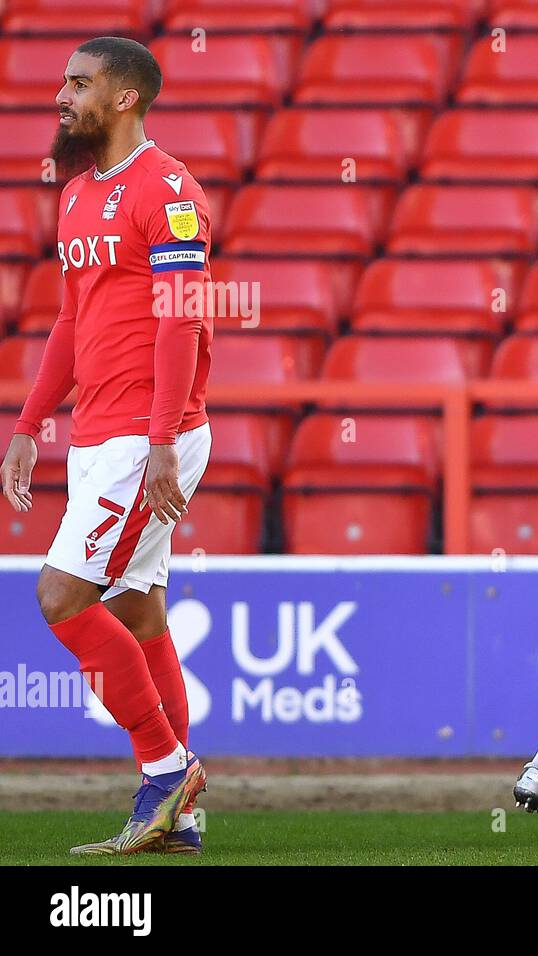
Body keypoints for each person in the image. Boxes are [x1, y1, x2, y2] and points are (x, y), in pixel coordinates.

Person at [0, 36, 213, 855]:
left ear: (126, 98)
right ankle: (181, 820)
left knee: (61, 598)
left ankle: (167, 775)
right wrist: (27, 425)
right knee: (135, 610)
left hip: (146, 436)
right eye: (63, 79)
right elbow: (70, 319)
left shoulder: (170, 191)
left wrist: (161, 440)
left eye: (80, 83)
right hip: (100, 433)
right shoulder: (80, 192)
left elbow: (182, 318)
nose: (62, 94)